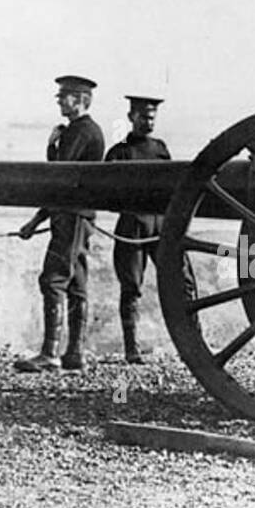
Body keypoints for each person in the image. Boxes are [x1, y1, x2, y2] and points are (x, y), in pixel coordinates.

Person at [15, 75, 106, 372]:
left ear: (80, 99)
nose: (59, 100)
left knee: (52, 280)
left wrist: (52, 148)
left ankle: (50, 353)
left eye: (64, 96)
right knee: (76, 283)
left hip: (70, 215)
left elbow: (59, 178)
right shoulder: (86, 130)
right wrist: (38, 219)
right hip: (78, 215)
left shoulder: (79, 132)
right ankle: (74, 354)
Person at [103, 95, 196, 363]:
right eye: (144, 116)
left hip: (161, 225)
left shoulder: (160, 149)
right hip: (132, 226)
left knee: (182, 280)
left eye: (153, 117)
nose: (149, 121)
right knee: (131, 286)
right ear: (131, 117)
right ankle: (131, 348)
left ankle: (192, 343)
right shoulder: (118, 152)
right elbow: (105, 194)